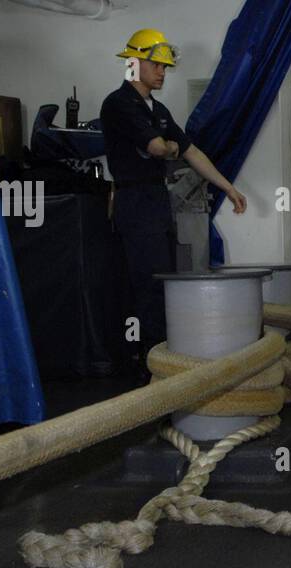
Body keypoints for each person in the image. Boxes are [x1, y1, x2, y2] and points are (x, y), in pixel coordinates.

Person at [100, 28, 247, 363]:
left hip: (156, 203)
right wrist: (166, 147)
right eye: (157, 65)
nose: (162, 73)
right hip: (135, 204)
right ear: (135, 63)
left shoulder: (158, 110)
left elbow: (191, 152)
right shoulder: (119, 104)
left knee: (165, 282)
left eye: (165, 67)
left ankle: (165, 359)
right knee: (148, 287)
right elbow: (156, 147)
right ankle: (150, 363)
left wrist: (228, 187)